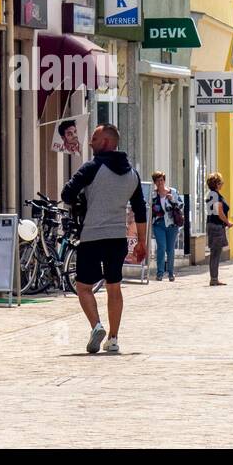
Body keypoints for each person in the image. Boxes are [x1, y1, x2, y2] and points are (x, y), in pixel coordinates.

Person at [60, 124, 147, 355]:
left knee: (83, 287)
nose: (91, 142)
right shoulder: (132, 175)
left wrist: (82, 196)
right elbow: (140, 209)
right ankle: (114, 338)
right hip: (118, 237)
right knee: (114, 287)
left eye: (95, 138)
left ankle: (96, 325)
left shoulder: (92, 167)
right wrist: (142, 241)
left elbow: (66, 194)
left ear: (107, 142)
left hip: (92, 236)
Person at [149, 171, 183, 282]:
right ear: (155, 183)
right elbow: (149, 208)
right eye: (157, 181)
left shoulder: (173, 192)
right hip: (159, 224)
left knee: (170, 249)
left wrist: (172, 199)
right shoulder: (153, 194)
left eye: (162, 180)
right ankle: (159, 273)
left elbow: (181, 205)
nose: (160, 182)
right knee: (161, 247)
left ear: (164, 180)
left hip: (172, 224)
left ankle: (171, 273)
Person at [204, 172, 232, 286]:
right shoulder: (215, 195)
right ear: (216, 184)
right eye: (221, 182)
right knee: (215, 253)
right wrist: (227, 222)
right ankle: (214, 279)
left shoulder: (210, 194)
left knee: (214, 252)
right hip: (216, 225)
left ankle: (214, 278)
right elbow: (219, 212)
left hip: (211, 224)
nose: (222, 184)